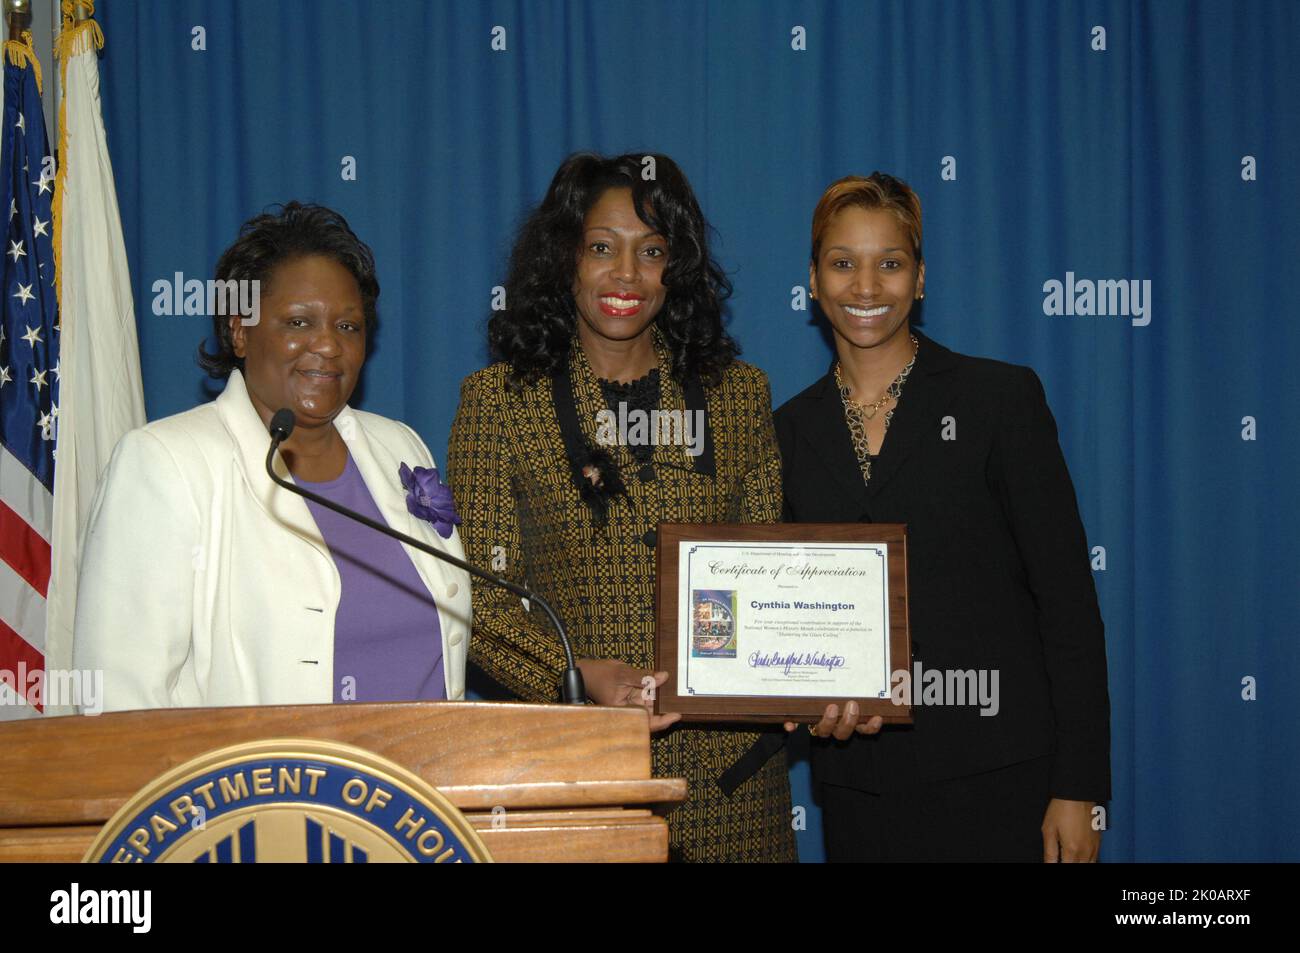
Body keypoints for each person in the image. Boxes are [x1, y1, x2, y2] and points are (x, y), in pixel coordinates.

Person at [447, 153, 795, 862]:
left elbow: (774, 578)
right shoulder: (499, 402)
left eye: (653, 251)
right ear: (564, 259)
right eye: (601, 248)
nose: (626, 276)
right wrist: (576, 677)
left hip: (735, 794)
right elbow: (476, 602)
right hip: (577, 778)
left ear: (679, 266)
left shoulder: (738, 395)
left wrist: (798, 674)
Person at [774, 173, 1110, 862]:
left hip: (1003, 779)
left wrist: (1079, 787)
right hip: (859, 791)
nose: (866, 286)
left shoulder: (999, 401)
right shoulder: (783, 431)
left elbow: (1069, 606)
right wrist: (804, 698)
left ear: (920, 279)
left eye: (889, 263)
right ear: (813, 279)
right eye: (843, 263)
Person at [74, 202, 469, 711]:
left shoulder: (399, 445)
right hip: (264, 789)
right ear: (240, 330)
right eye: (299, 322)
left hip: (429, 787)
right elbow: (114, 700)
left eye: (348, 327)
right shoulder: (165, 464)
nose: (327, 345)